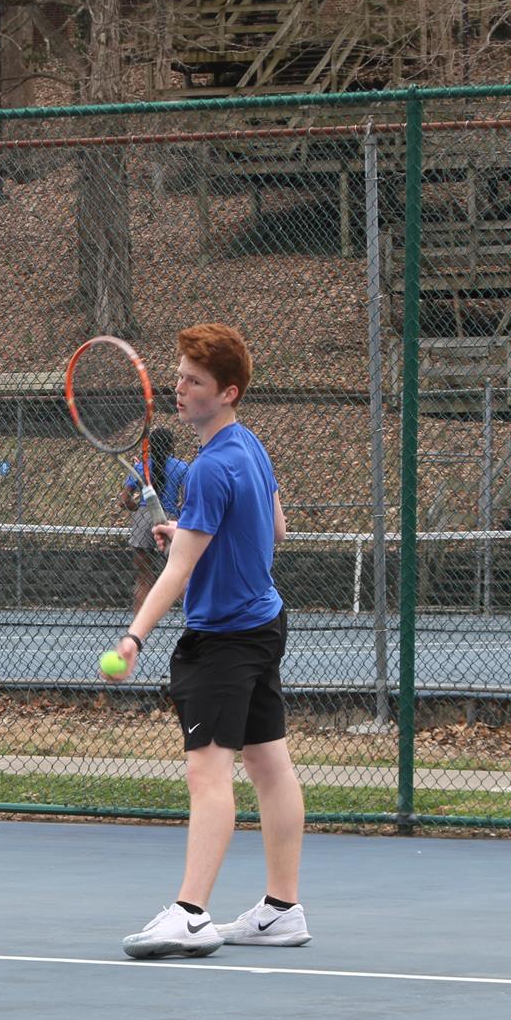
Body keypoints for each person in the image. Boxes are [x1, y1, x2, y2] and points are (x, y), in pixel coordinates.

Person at [101, 323, 307, 959]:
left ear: (229, 392)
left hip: (221, 641)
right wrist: (191, 529)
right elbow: (272, 530)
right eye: (180, 375)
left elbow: (180, 571)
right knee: (269, 764)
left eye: (194, 380)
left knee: (206, 770)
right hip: (263, 626)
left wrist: (135, 636)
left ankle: (190, 913)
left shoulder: (213, 469)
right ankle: (282, 909)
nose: (180, 388)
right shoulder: (249, 447)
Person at [123, 426, 189, 614]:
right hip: (168, 519)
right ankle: (194, 620)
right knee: (178, 574)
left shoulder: (141, 466)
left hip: (143, 517)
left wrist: (138, 509)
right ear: (171, 446)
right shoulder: (182, 467)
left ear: (150, 446)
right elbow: (186, 501)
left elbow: (124, 499)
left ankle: (138, 629)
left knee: (143, 577)